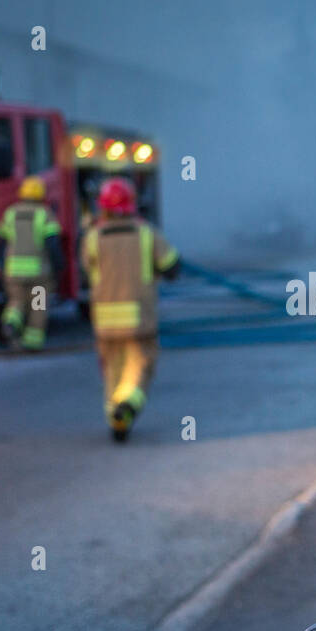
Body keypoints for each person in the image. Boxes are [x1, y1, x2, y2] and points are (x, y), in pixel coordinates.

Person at [81, 177, 179, 441]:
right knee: (141, 366)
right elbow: (171, 267)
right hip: (139, 318)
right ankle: (128, 405)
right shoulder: (147, 233)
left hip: (104, 320)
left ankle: (117, 419)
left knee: (112, 370)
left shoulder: (92, 237)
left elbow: (88, 270)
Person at [0, 176, 64, 351]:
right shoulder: (44, 214)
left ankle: (11, 321)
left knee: (16, 301)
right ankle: (32, 342)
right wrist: (59, 266)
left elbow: (2, 239)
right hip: (39, 273)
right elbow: (53, 244)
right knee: (38, 306)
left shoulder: (11, 213)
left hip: (14, 271)